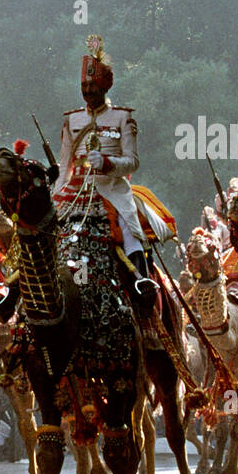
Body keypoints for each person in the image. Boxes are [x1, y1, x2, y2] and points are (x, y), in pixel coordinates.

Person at [56, 34, 158, 310]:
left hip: (111, 191)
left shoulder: (123, 117)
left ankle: (141, 281)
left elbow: (133, 161)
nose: (88, 91)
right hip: (75, 194)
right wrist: (56, 195)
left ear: (105, 86)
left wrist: (109, 164)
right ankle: (13, 291)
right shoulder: (72, 120)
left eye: (93, 85)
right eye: (84, 85)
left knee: (128, 227)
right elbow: (65, 164)